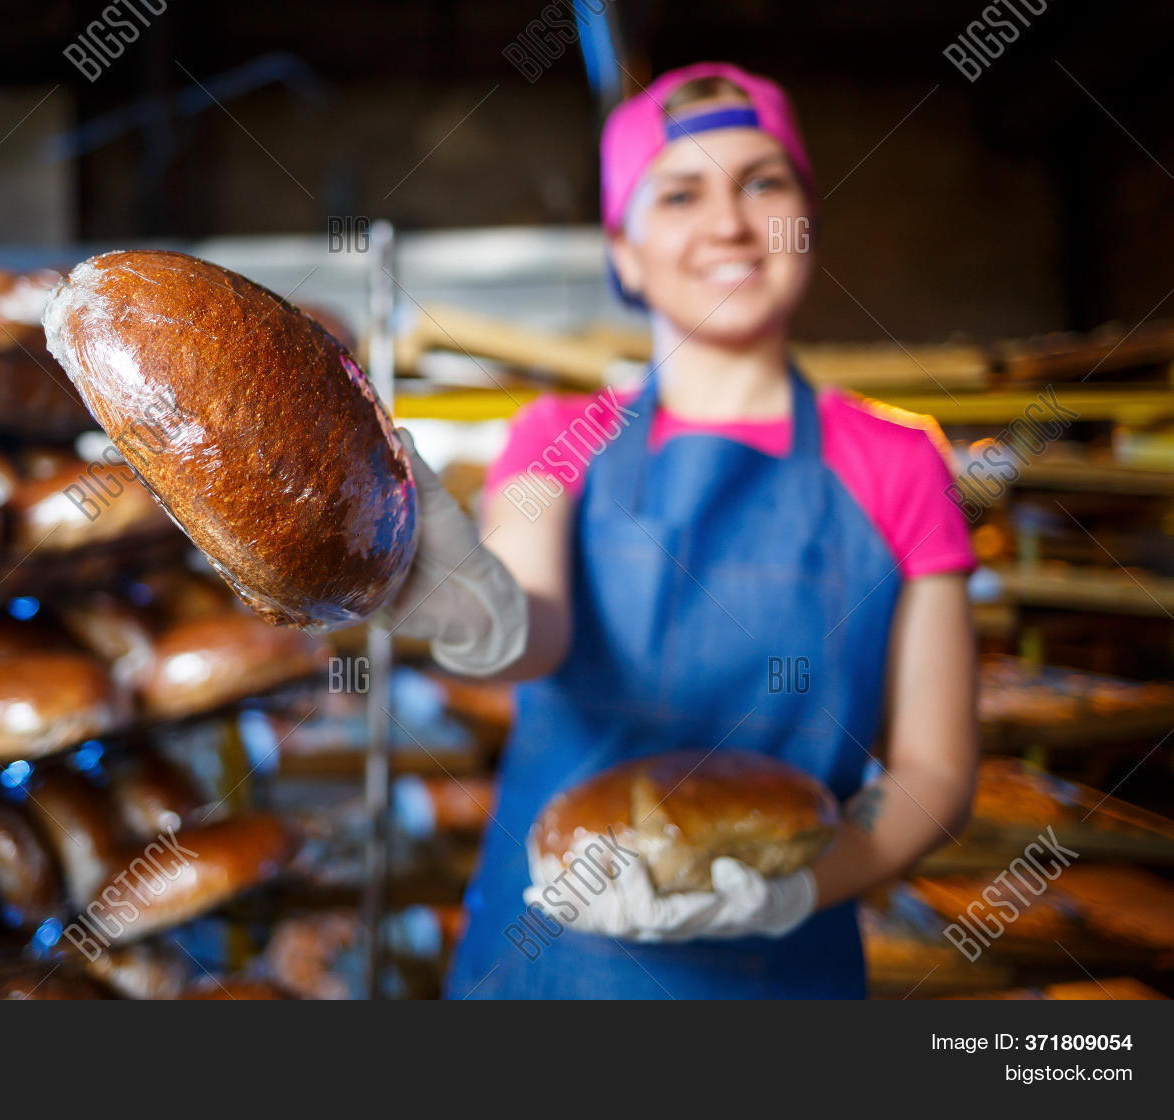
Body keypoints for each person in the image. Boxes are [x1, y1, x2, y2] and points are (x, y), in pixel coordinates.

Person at [384, 62, 980, 999]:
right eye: (680, 193)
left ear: (804, 218)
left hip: (783, 971)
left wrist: (796, 892)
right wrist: (477, 615)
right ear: (623, 249)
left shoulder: (900, 464)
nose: (730, 223)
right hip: (550, 971)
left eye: (761, 182)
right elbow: (532, 630)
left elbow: (936, 769)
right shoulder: (559, 437)